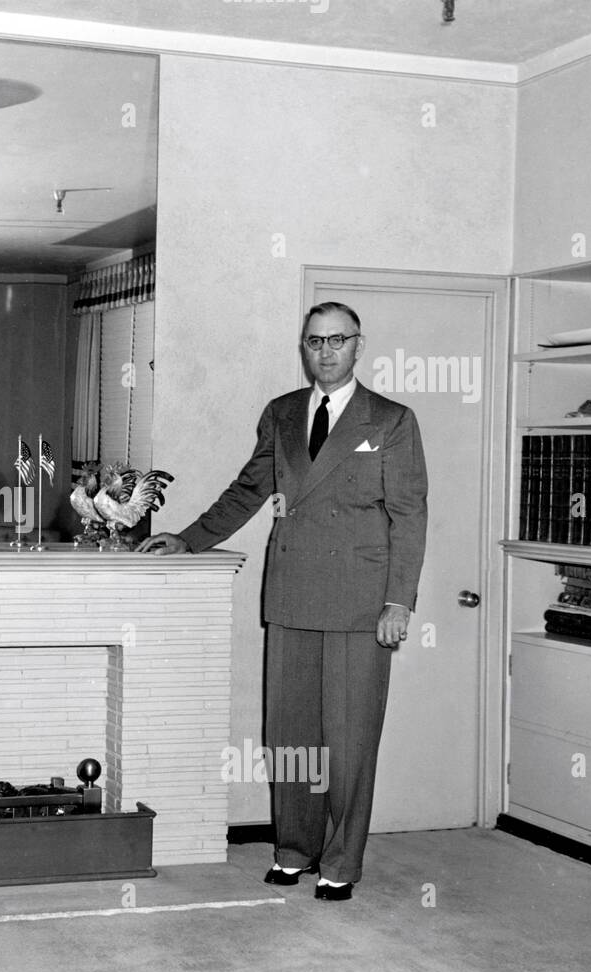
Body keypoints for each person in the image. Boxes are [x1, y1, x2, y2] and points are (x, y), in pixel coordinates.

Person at [140, 302, 428, 902]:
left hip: (359, 601)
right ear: (304, 347)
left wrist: (398, 601)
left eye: (337, 341)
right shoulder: (282, 413)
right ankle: (295, 849)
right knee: (291, 736)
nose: (325, 352)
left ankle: (341, 862)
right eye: (314, 341)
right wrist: (190, 538)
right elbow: (250, 488)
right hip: (293, 593)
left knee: (349, 740)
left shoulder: (392, 421)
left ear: (359, 345)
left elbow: (409, 516)